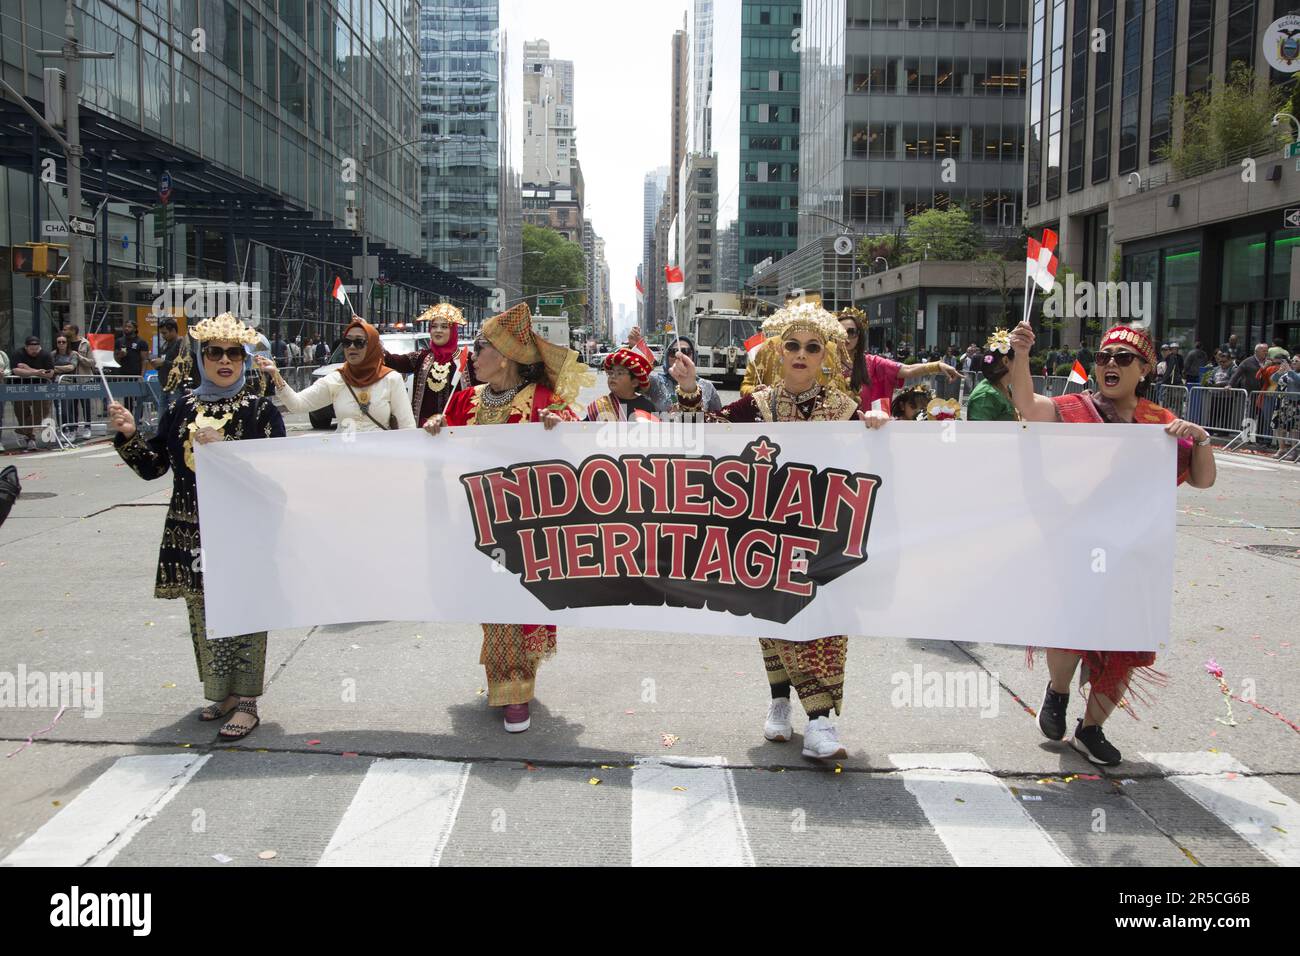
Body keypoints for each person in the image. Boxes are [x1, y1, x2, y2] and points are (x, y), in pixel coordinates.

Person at [670, 301, 890, 762]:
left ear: (825, 355)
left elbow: (875, 467)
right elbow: (705, 435)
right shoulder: (759, 404)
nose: (801, 354)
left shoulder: (844, 408)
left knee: (826, 626)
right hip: (768, 535)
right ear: (779, 350)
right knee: (776, 621)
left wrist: (876, 427)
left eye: (812, 347)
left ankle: (820, 719)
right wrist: (690, 388)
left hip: (827, 534)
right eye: (792, 345)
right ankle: (779, 702)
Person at [1006, 320, 1216, 766]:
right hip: (1077, 546)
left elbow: (1201, 479)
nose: (1110, 365)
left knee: (1126, 643)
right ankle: (1058, 691)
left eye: (1123, 359)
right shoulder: (1075, 407)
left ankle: (1091, 729)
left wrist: (1200, 440)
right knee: (1070, 627)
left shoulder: (1160, 423)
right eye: (1103, 358)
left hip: (1133, 556)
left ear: (1145, 368)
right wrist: (1021, 355)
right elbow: (1027, 404)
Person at [108, 313, 286, 740]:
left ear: (244, 359)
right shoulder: (184, 407)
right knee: (204, 613)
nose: (224, 360)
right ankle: (221, 693)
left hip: (242, 530)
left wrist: (228, 451)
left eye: (233, 353)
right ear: (201, 357)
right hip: (191, 529)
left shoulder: (261, 411)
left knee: (242, 610)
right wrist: (130, 435)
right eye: (215, 352)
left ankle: (246, 702)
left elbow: (279, 480)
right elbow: (154, 468)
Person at [423, 303, 591, 733]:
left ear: (506, 355)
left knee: (516, 605)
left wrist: (560, 425)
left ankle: (515, 690)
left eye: (479, 348)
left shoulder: (540, 402)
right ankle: (506, 682)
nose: (471, 356)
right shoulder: (465, 399)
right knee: (490, 605)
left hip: (525, 526)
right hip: (475, 522)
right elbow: (445, 443)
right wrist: (438, 425)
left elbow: (574, 442)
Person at [259, 317, 416, 433]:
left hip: (381, 463)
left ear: (373, 347)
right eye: (347, 343)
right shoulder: (336, 379)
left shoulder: (391, 379)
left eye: (359, 342)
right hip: (344, 461)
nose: (351, 347)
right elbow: (298, 404)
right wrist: (275, 374)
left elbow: (407, 426)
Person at [839, 307, 961, 412]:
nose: (846, 337)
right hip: (832, 430)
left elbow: (907, 369)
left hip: (867, 429)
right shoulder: (824, 362)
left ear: (859, 335)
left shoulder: (873, 363)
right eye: (840, 332)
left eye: (851, 332)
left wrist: (938, 366)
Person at [383, 302, 468, 426]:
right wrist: (372, 339)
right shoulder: (421, 357)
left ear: (453, 331)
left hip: (458, 431)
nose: (438, 331)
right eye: (434, 326)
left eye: (444, 327)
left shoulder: (467, 360)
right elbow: (392, 361)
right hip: (425, 432)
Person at [638, 332, 721, 413]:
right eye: (673, 352)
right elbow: (635, 379)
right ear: (667, 357)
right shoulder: (655, 382)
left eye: (685, 351)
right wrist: (636, 346)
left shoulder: (708, 387)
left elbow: (719, 420)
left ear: (693, 356)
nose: (679, 356)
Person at [584, 346, 658, 420]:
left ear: (634, 382)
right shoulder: (600, 406)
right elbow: (583, 428)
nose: (613, 376)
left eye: (620, 373)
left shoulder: (647, 406)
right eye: (611, 373)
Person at [8, 337, 55, 450]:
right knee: (22, 412)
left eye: (36, 349)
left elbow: (50, 373)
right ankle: (30, 439)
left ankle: (23, 429)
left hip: (40, 388)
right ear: (26, 347)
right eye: (31, 349)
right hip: (20, 388)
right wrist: (37, 372)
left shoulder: (45, 355)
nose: (34, 351)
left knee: (43, 410)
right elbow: (16, 371)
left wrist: (28, 369)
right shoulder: (18, 353)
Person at [965, 329, 1020, 421]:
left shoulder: (1004, 388)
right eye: (1019, 359)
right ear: (1005, 360)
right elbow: (979, 432)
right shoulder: (985, 396)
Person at [1270, 354, 1300, 455]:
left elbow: (1298, 380)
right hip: (1281, 402)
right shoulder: (1287, 373)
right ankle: (1281, 448)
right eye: (1293, 361)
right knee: (1279, 426)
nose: (1294, 362)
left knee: (1293, 428)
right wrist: (1280, 371)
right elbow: (1273, 379)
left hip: (1294, 403)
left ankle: (1293, 451)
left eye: (1297, 361)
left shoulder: (1294, 373)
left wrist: (1289, 370)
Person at [51, 333, 79, 432]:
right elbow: (49, 368)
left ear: (67, 343)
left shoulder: (73, 354)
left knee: (66, 409)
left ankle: (72, 430)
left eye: (64, 342)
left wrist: (56, 368)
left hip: (68, 384)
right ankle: (63, 430)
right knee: (58, 409)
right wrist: (61, 369)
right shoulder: (53, 354)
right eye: (59, 342)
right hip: (55, 384)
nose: (61, 344)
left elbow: (71, 367)